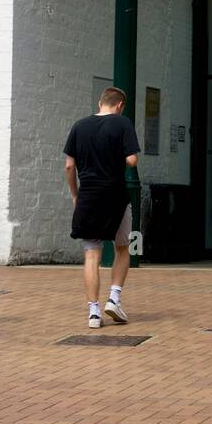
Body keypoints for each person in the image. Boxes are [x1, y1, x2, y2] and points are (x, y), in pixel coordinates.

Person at [64, 86, 140, 329]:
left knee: (91, 254)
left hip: (88, 196)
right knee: (122, 248)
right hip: (116, 195)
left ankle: (94, 313)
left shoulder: (79, 126)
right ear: (120, 106)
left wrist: (75, 195)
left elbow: (68, 166)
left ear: (100, 103)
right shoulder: (123, 123)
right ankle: (114, 299)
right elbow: (132, 160)